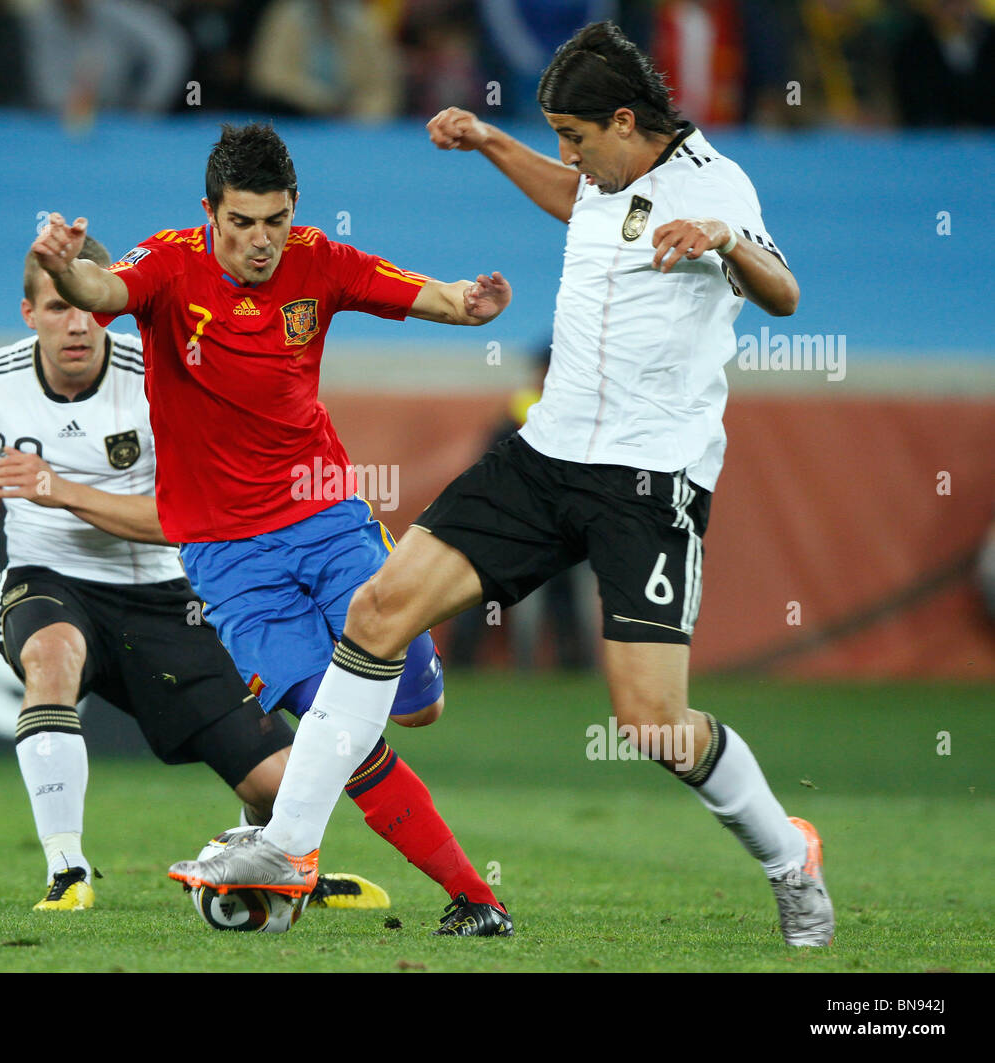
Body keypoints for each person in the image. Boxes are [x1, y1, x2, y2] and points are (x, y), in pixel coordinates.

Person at [169, 24, 836, 948]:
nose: (568, 156)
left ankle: (785, 853)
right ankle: (287, 846)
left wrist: (726, 239)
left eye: (574, 136)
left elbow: (785, 292)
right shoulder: (603, 178)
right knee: (378, 609)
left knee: (651, 721)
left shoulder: (715, 185)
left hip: (649, 480)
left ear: (624, 120)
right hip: (545, 454)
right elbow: (582, 200)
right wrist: (492, 145)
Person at [30, 122, 516, 934]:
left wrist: (468, 305)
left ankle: (339, 833)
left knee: (418, 708)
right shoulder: (166, 265)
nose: (261, 241)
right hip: (228, 559)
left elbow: (413, 290)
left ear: (295, 211)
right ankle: (476, 898)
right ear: (209, 212)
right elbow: (103, 291)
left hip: (327, 517)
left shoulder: (317, 260)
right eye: (242, 222)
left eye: (276, 220)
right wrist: (64, 268)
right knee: (338, 729)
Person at [0, 236, 388, 914]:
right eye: (58, 307)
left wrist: (60, 487)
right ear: (29, 312)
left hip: (167, 595)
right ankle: (67, 869)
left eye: (87, 308)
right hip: (49, 577)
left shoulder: (165, 375)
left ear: (109, 307)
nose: (76, 325)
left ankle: (271, 857)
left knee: (282, 780)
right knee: (51, 655)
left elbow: (195, 517)